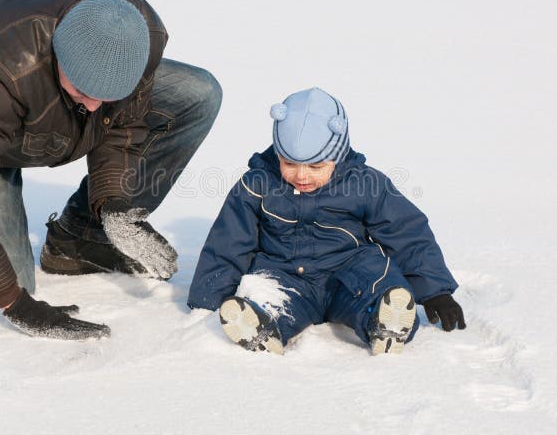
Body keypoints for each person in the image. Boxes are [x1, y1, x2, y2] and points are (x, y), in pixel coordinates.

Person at [0, 0, 222, 340]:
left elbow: (122, 127)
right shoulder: (2, 69)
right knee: (4, 285)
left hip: (34, 111)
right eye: (84, 91)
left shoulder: (135, 38)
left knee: (199, 94)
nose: (94, 106)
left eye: (109, 96)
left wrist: (112, 205)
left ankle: (81, 238)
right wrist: (15, 304)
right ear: (60, 57)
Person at [187, 87, 463, 355]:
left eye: (316, 167)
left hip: (348, 274)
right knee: (265, 291)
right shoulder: (257, 184)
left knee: (378, 278)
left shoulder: (365, 183)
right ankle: (264, 323)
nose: (302, 176)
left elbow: (406, 232)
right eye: (289, 164)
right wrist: (207, 303)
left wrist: (435, 291)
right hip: (285, 275)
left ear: (338, 156)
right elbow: (229, 242)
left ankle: (384, 321)